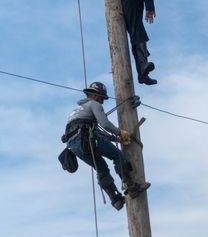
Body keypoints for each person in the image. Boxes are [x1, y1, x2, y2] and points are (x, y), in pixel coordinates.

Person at [62, 82, 150, 210]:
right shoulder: (94, 104)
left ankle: (115, 200)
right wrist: (120, 132)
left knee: (101, 168)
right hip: (86, 139)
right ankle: (132, 188)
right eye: (102, 98)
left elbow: (93, 130)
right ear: (96, 95)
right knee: (117, 155)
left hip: (75, 146)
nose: (102, 101)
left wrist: (115, 138)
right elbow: (105, 124)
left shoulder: (77, 112)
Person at [121, 0, 158, 85]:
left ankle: (142, 71)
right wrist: (149, 7)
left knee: (135, 32)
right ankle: (143, 67)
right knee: (137, 31)